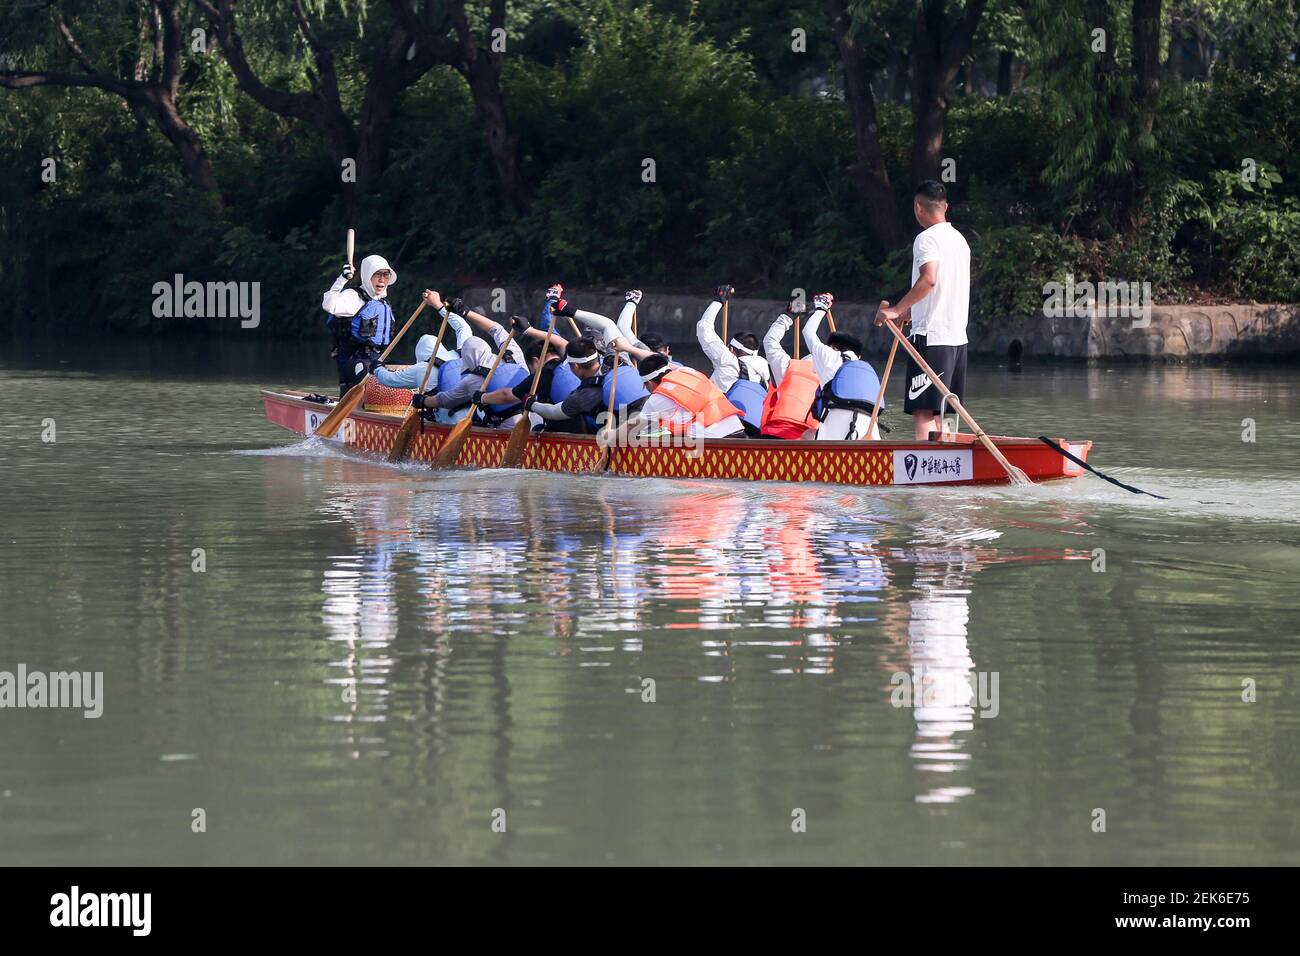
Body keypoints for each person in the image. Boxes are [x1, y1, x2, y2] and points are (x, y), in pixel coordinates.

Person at [876, 180, 971, 440]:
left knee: (923, 411)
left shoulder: (926, 239)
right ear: (946, 207)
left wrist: (897, 309)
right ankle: (952, 464)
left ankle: (930, 477)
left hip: (931, 337)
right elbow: (944, 287)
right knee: (946, 410)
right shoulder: (960, 240)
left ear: (918, 208)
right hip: (957, 338)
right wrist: (912, 312)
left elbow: (929, 279)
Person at [607, 354, 746, 445]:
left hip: (714, 442)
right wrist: (627, 347)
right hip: (738, 431)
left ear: (648, 383)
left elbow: (632, 425)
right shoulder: (687, 371)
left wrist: (611, 436)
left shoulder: (656, 399)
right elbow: (662, 362)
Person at [802, 292, 885, 440]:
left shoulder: (828, 354)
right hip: (869, 435)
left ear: (833, 347)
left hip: (835, 434)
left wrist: (822, 308)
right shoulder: (866, 370)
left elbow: (807, 332)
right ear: (858, 355)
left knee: (805, 435)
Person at [522, 339, 648, 434]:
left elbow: (553, 412)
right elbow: (607, 324)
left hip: (627, 435)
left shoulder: (584, 395)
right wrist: (572, 311)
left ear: (576, 366)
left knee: (576, 418)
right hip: (657, 421)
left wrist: (531, 404)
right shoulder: (618, 359)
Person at [409, 336, 528, 429]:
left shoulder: (473, 380)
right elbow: (498, 331)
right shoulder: (514, 360)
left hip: (508, 429)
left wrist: (423, 401)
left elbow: (445, 400)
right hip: (533, 419)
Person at [321, 254, 398, 395]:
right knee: (366, 371)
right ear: (367, 275)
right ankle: (354, 407)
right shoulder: (353, 296)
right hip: (353, 360)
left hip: (376, 359)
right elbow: (328, 305)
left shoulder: (383, 303)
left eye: (385, 275)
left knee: (405, 368)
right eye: (377, 274)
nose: (382, 279)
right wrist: (342, 279)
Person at [373, 289, 472, 391]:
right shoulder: (466, 354)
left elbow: (389, 379)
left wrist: (377, 368)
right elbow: (462, 327)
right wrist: (438, 305)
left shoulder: (421, 370)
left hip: (440, 405)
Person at [760, 301, 822, 439]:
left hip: (775, 435)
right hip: (808, 441)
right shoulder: (830, 376)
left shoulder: (788, 367)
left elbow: (770, 341)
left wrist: (789, 315)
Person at [697, 284, 771, 393]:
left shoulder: (727, 360)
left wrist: (718, 301)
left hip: (721, 409)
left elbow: (704, 329)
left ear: (731, 350)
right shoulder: (765, 370)